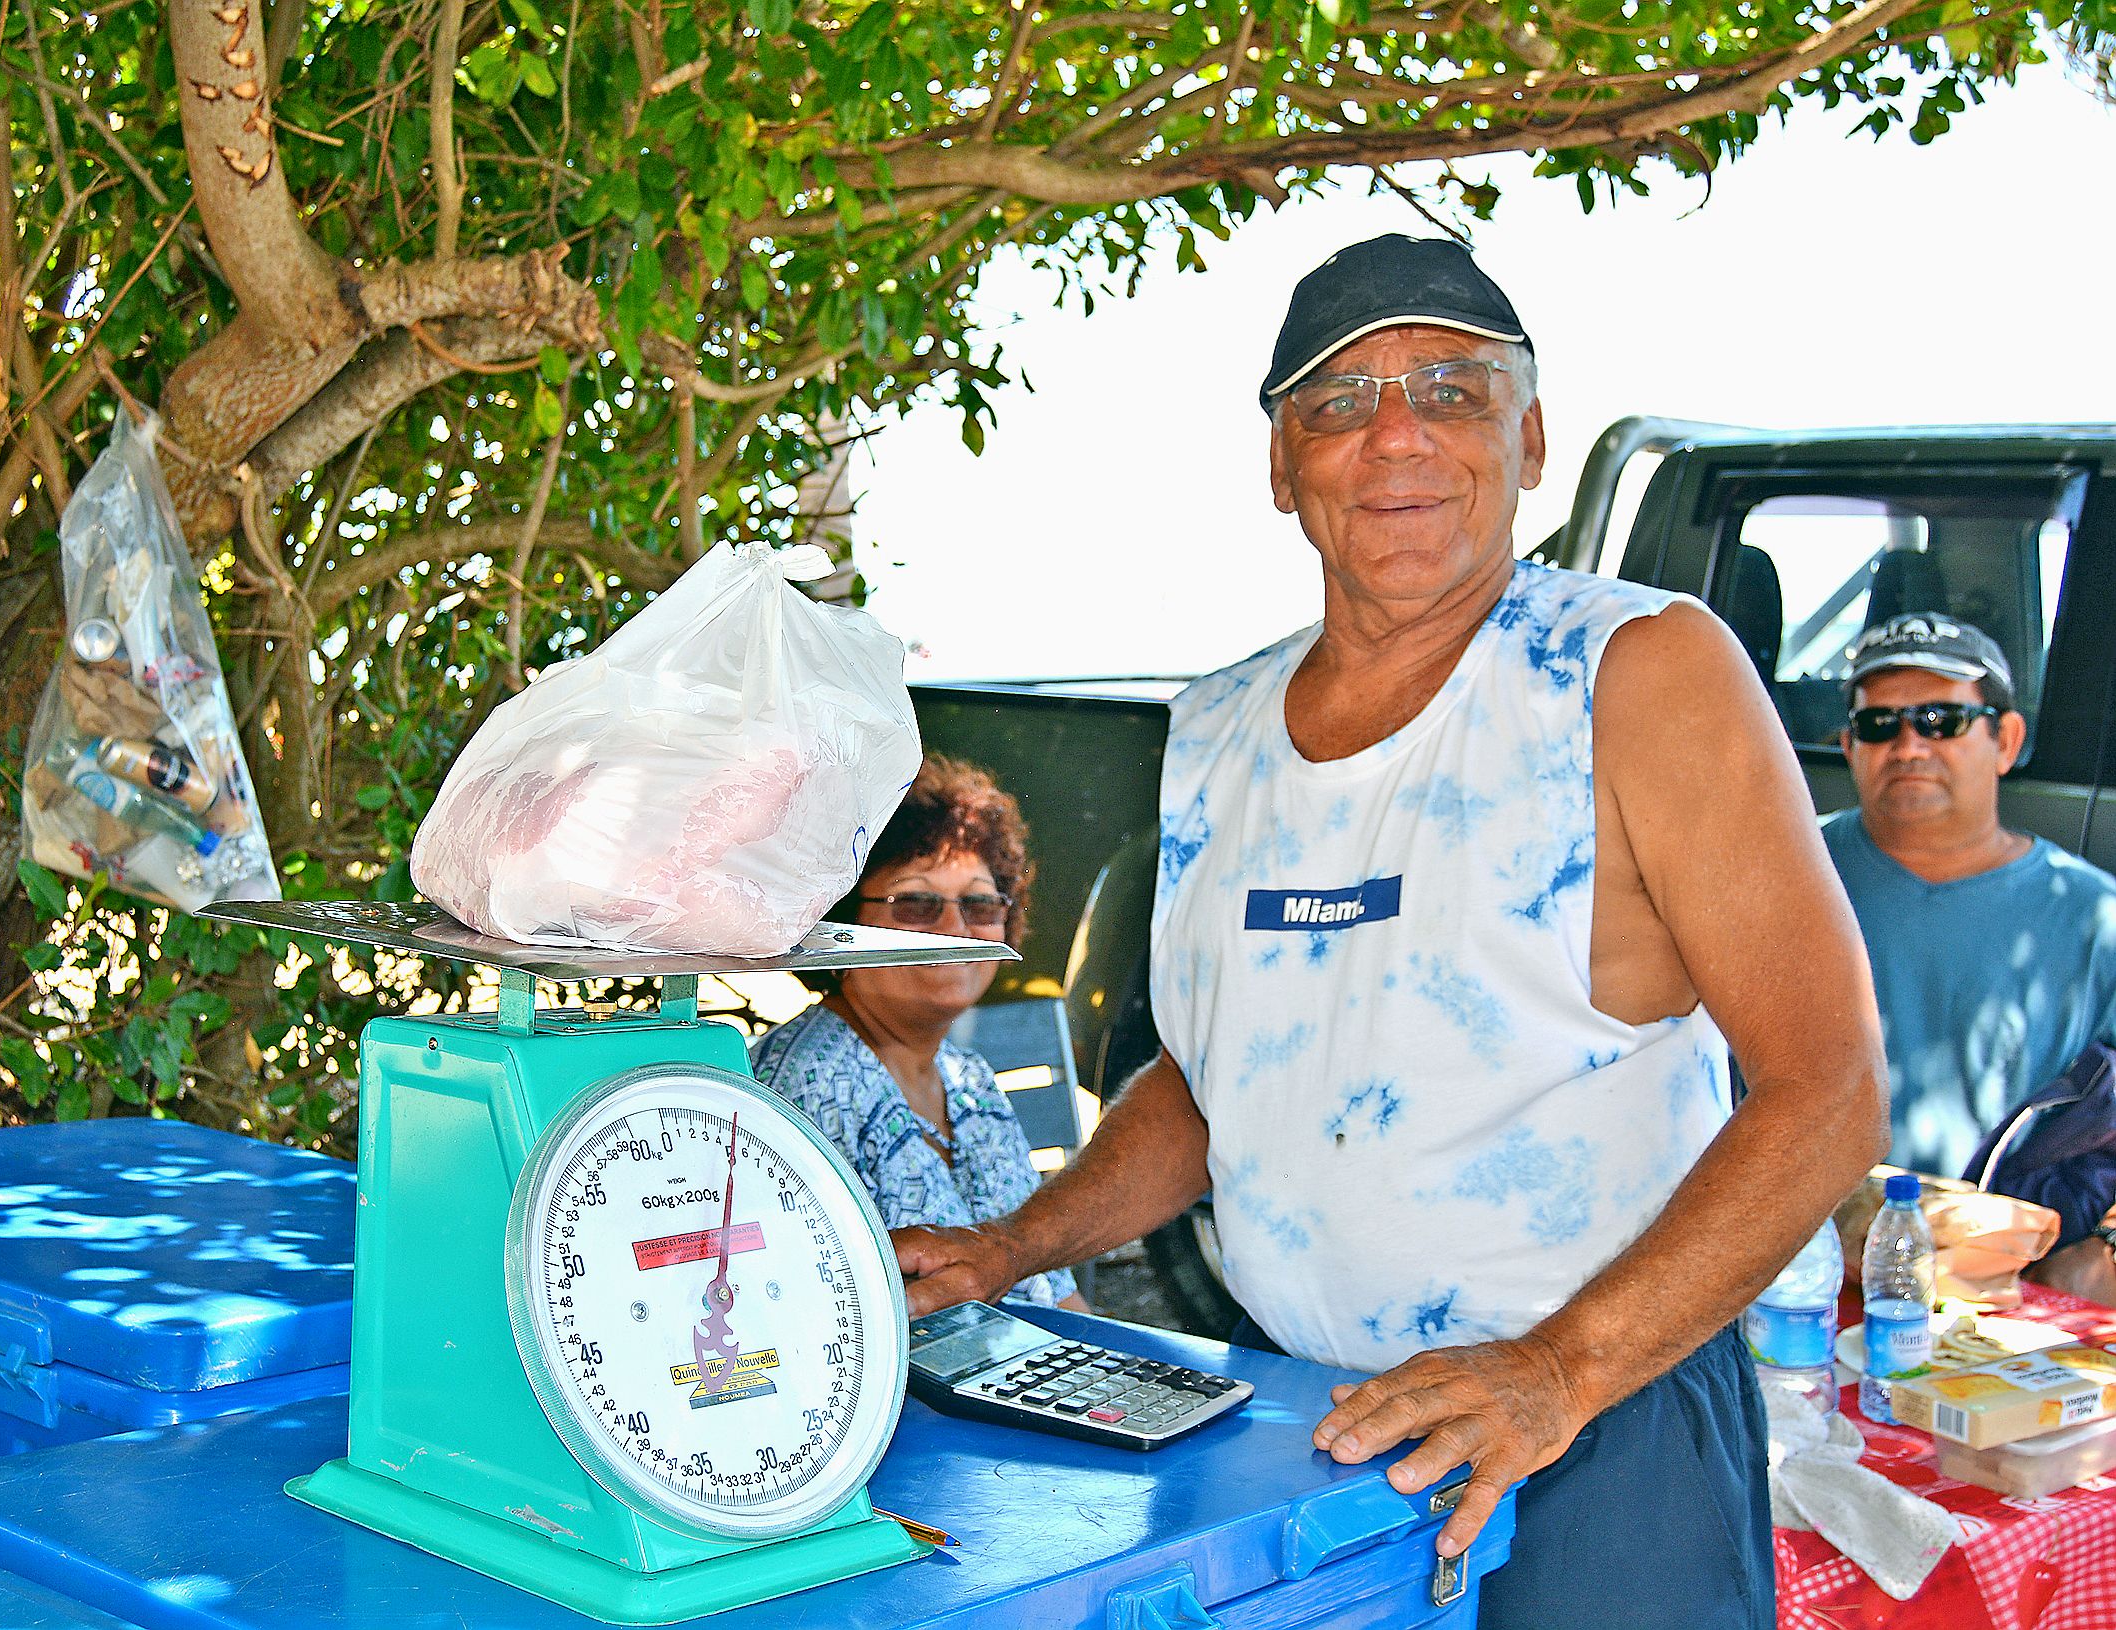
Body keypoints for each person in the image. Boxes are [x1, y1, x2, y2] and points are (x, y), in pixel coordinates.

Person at [892, 234, 1890, 1629]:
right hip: (1309, 1435)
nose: (1398, 434)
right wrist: (1011, 1245)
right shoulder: (1216, 726)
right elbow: (1206, 1078)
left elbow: (1830, 1085)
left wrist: (1557, 1368)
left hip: (1594, 1430)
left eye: (1451, 388)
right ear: (1280, 465)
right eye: (1338, 402)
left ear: (1530, 437)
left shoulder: (1634, 671)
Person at [1824, 612, 2116, 1299]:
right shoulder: (1780, 875)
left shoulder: (2093, 920)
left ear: (2004, 740)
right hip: (1791, 1285)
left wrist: (2101, 1249)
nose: (1908, 745)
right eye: (1879, 724)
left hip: (2010, 1302)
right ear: (1847, 745)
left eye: (1940, 720)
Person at [751, 754, 1085, 1309]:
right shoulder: (803, 1087)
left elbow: (1057, 1292)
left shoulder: (968, 1076)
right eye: (916, 903)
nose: (954, 930)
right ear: (841, 920)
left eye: (979, 904)